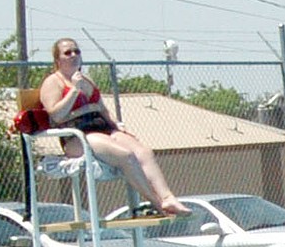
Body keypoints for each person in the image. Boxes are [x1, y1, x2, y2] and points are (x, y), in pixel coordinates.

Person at [39, 37, 191, 216]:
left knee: (143, 152)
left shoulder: (85, 79)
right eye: (67, 53)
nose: (73, 55)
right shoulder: (53, 82)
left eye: (76, 51)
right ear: (58, 60)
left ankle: (168, 197)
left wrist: (116, 125)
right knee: (125, 155)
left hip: (102, 127)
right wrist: (74, 90)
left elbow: (102, 108)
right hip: (76, 136)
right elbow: (56, 115)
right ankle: (158, 204)